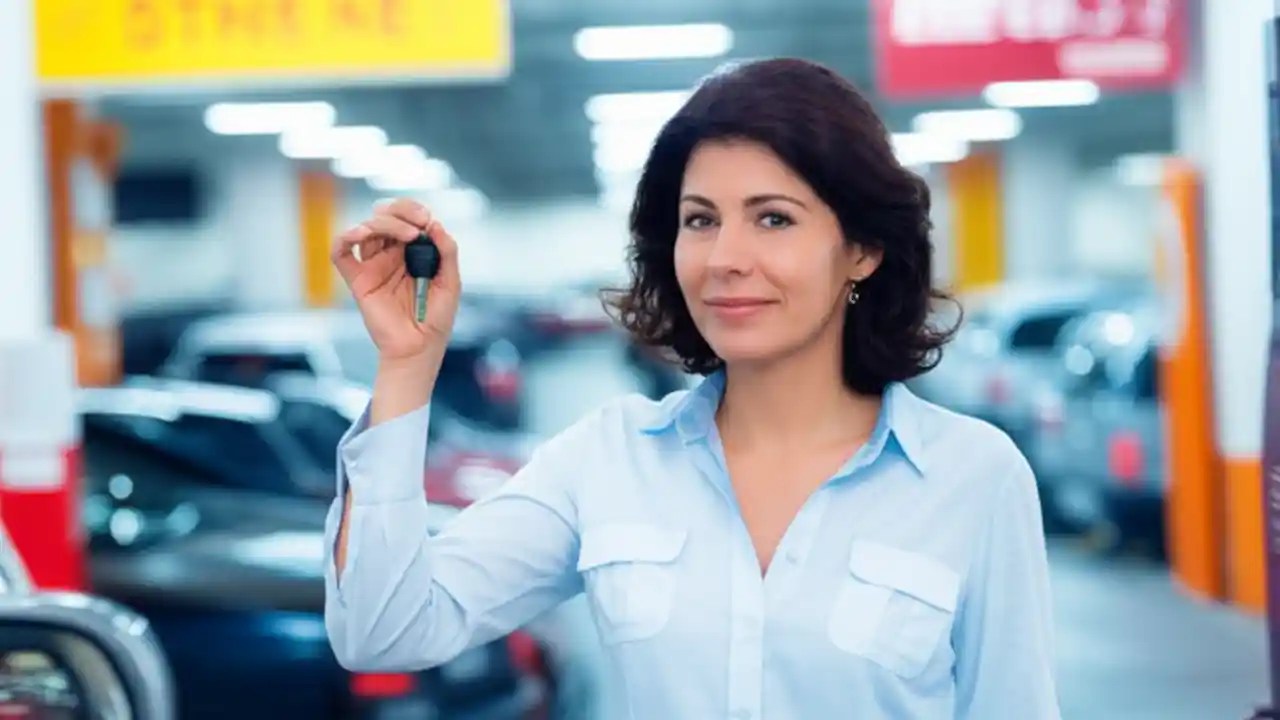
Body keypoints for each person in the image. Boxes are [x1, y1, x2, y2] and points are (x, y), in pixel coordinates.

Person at [324, 57, 1060, 719]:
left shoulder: (972, 476)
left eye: (774, 218)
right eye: (700, 221)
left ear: (861, 250)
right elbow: (383, 630)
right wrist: (406, 366)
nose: (726, 258)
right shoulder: (608, 460)